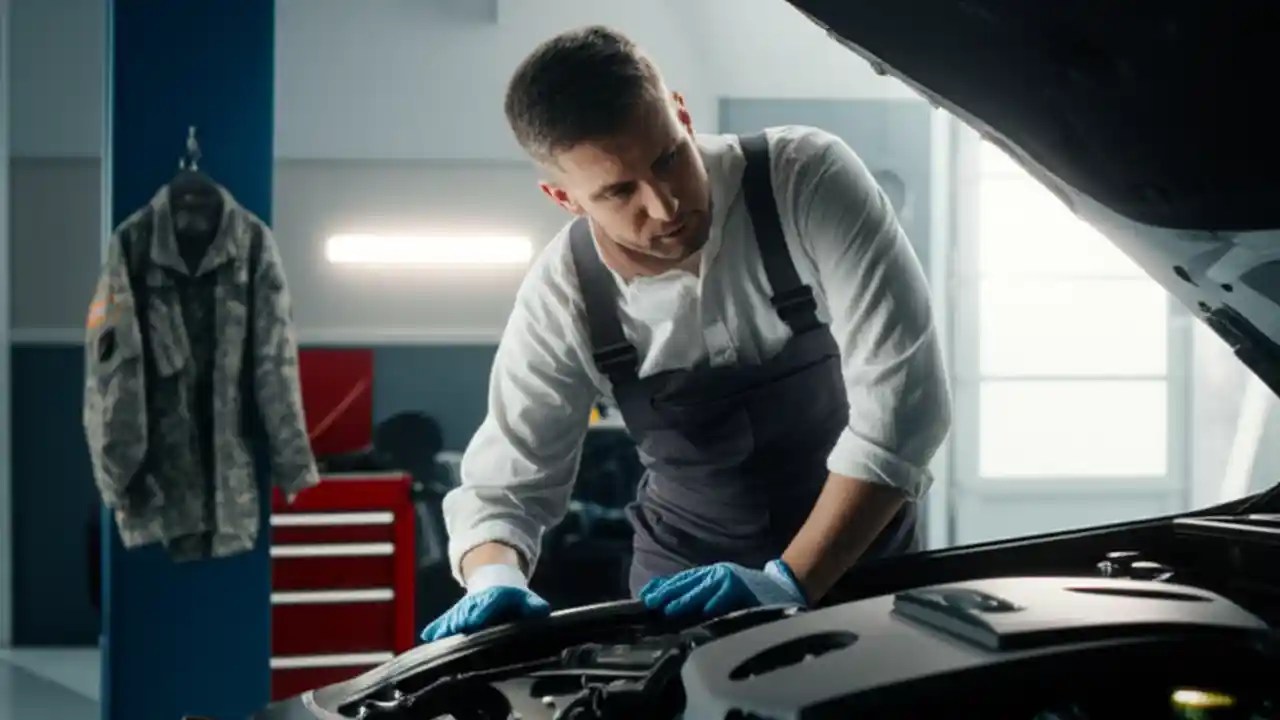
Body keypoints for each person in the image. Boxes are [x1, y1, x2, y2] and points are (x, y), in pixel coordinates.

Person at [419, 25, 951, 643]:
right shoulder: (563, 295)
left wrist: (790, 581)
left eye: (669, 157)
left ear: (681, 113)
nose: (665, 205)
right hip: (684, 596)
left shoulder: (803, 180)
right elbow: (504, 488)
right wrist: (493, 578)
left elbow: (905, 406)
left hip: (861, 564)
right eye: (620, 191)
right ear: (564, 198)